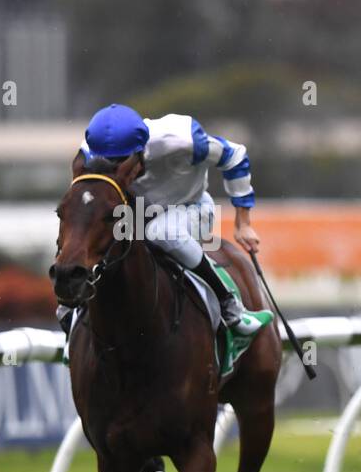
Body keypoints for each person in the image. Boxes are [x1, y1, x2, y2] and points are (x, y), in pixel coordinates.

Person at [69, 103, 273, 336]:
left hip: (190, 208)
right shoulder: (89, 153)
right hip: (136, 215)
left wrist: (243, 223)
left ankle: (228, 303)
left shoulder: (183, 140)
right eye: (106, 161)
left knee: (161, 232)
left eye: (121, 161)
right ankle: (73, 317)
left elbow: (235, 156)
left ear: (140, 150)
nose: (113, 169)